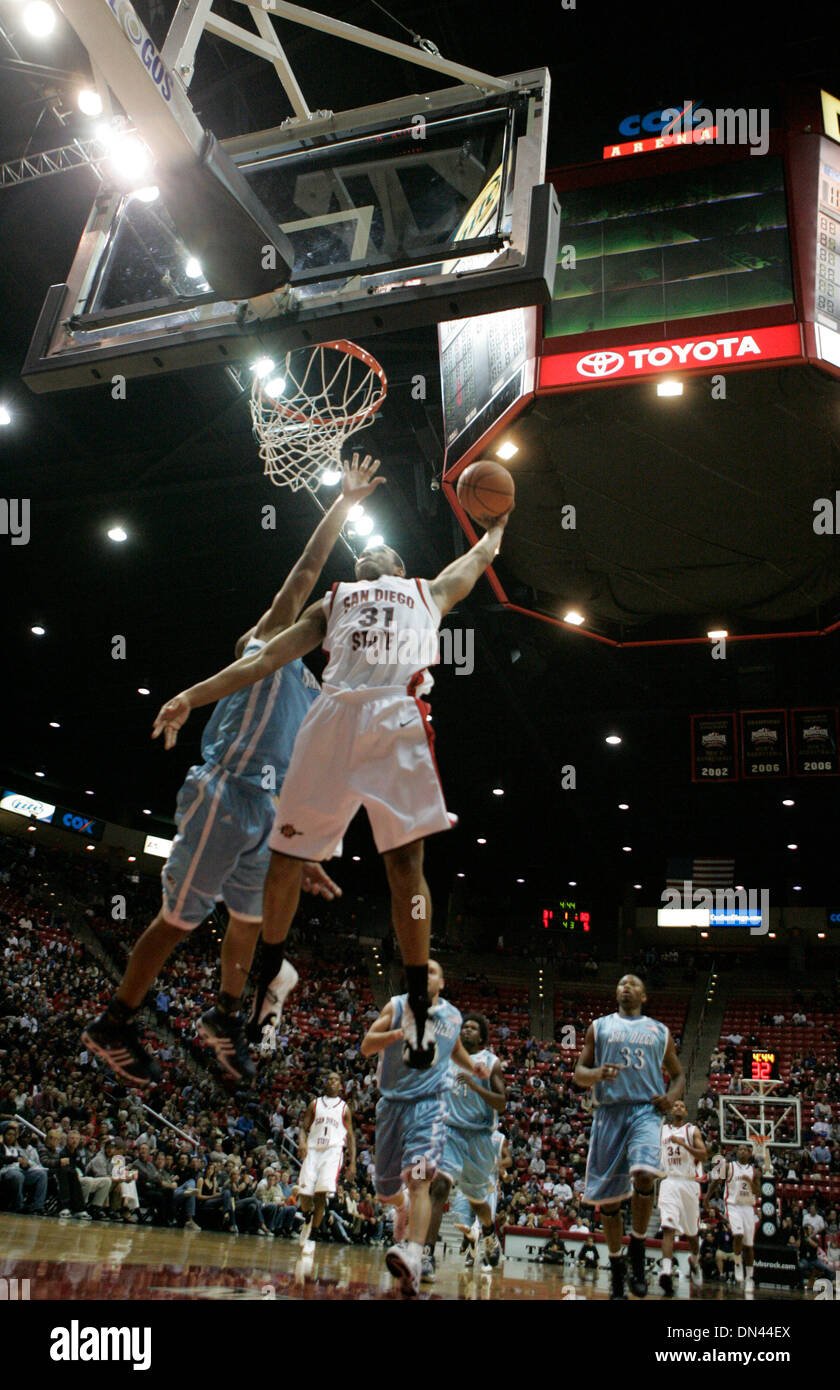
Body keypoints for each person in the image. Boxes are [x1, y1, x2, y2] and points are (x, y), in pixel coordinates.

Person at [153, 506, 511, 1069]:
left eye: (379, 552)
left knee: (404, 865)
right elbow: (266, 655)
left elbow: (477, 559)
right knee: (285, 856)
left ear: (398, 565)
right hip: (332, 714)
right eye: (361, 553)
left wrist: (495, 526)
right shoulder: (334, 598)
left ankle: (417, 1001)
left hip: (397, 716)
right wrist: (191, 697)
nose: (366, 554)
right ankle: (270, 977)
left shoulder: (428, 591)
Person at [82, 459, 383, 1086]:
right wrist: (346, 504)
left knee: (250, 923)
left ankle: (225, 1017)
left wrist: (305, 850)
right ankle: (113, 1022)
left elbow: (296, 769)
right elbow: (304, 571)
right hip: (223, 790)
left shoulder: (322, 684)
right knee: (178, 922)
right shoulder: (273, 635)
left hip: (267, 811)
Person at [360, 960, 486, 1295]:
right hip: (391, 1106)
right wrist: (398, 1033)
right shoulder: (398, 1006)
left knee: (420, 1177)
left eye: (431, 971)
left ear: (442, 983)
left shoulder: (453, 1017)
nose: (424, 975)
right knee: (386, 1189)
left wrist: (474, 1067)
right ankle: (399, 1208)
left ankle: (415, 1255)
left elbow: (455, 1051)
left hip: (430, 1108)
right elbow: (367, 1045)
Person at [574, 974, 685, 1300]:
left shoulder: (659, 1032)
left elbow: (678, 1075)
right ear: (616, 992)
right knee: (609, 1203)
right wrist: (596, 1074)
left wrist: (670, 1096)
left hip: (645, 1112)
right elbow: (580, 1074)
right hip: (609, 1114)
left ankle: (637, 1244)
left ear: (644, 995)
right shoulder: (600, 1026)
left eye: (634, 984)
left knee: (644, 1174)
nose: (626, 987)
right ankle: (617, 1268)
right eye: (621, 983)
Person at [423, 1012, 507, 1282]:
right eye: (464, 1027)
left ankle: (489, 1232)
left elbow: (501, 1103)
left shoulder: (491, 1063)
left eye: (473, 1028)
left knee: (477, 1199)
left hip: (479, 1138)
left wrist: (475, 1085)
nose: (467, 1031)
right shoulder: (447, 1057)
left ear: (481, 1036)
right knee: (439, 1188)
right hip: (449, 1132)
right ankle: (427, 1255)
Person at [296, 1072, 356, 1252]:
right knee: (305, 1194)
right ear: (325, 1083)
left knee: (321, 1193)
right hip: (313, 1150)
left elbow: (351, 1136)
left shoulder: (344, 1108)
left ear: (341, 1086)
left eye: (336, 1079)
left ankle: (314, 1233)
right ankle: (307, 1216)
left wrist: (352, 1162)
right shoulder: (314, 1104)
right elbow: (303, 1129)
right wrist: (302, 1142)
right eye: (329, 1079)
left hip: (332, 1152)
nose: (332, 1081)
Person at [657, 1099, 707, 1296]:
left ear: (686, 1112)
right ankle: (666, 1272)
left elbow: (703, 1155)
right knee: (668, 1228)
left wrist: (683, 1145)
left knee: (692, 1234)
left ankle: (694, 1261)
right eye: (675, 1105)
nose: (678, 1107)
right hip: (669, 1181)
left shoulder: (692, 1131)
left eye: (682, 1105)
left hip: (689, 1183)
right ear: (671, 1110)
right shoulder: (662, 1130)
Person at [711, 1143, 762, 1293]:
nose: (743, 1152)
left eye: (746, 1150)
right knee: (738, 1234)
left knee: (749, 1246)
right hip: (733, 1205)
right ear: (736, 1152)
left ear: (750, 1153)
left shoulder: (755, 1172)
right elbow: (716, 1182)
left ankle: (750, 1276)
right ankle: (738, 1264)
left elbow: (759, 1193)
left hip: (747, 1207)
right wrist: (707, 1197)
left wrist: (750, 1182)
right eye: (740, 1149)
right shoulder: (728, 1167)